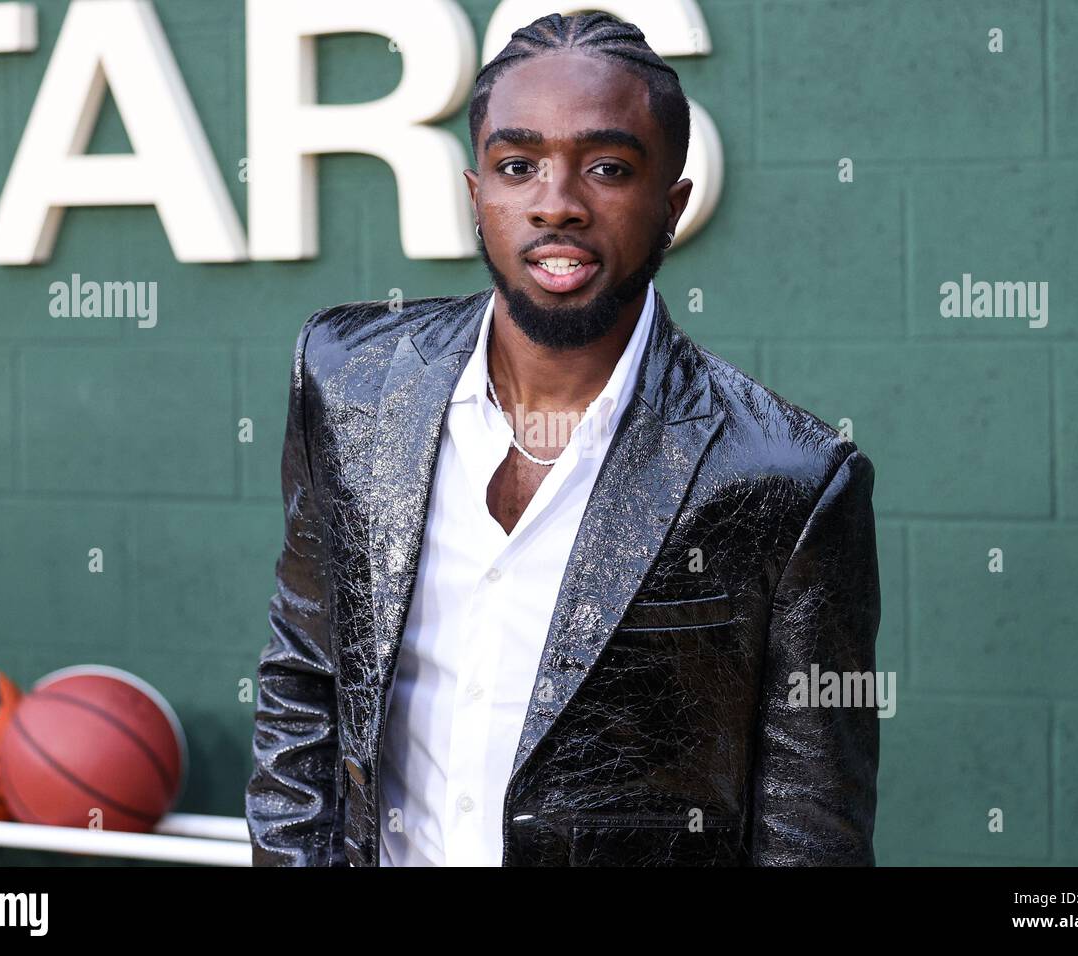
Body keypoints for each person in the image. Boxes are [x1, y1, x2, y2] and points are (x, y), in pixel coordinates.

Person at [245, 11, 880, 867]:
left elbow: (810, 840)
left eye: (609, 169)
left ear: (673, 206)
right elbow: (304, 684)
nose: (557, 203)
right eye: (518, 165)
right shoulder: (349, 379)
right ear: (479, 195)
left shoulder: (788, 480)